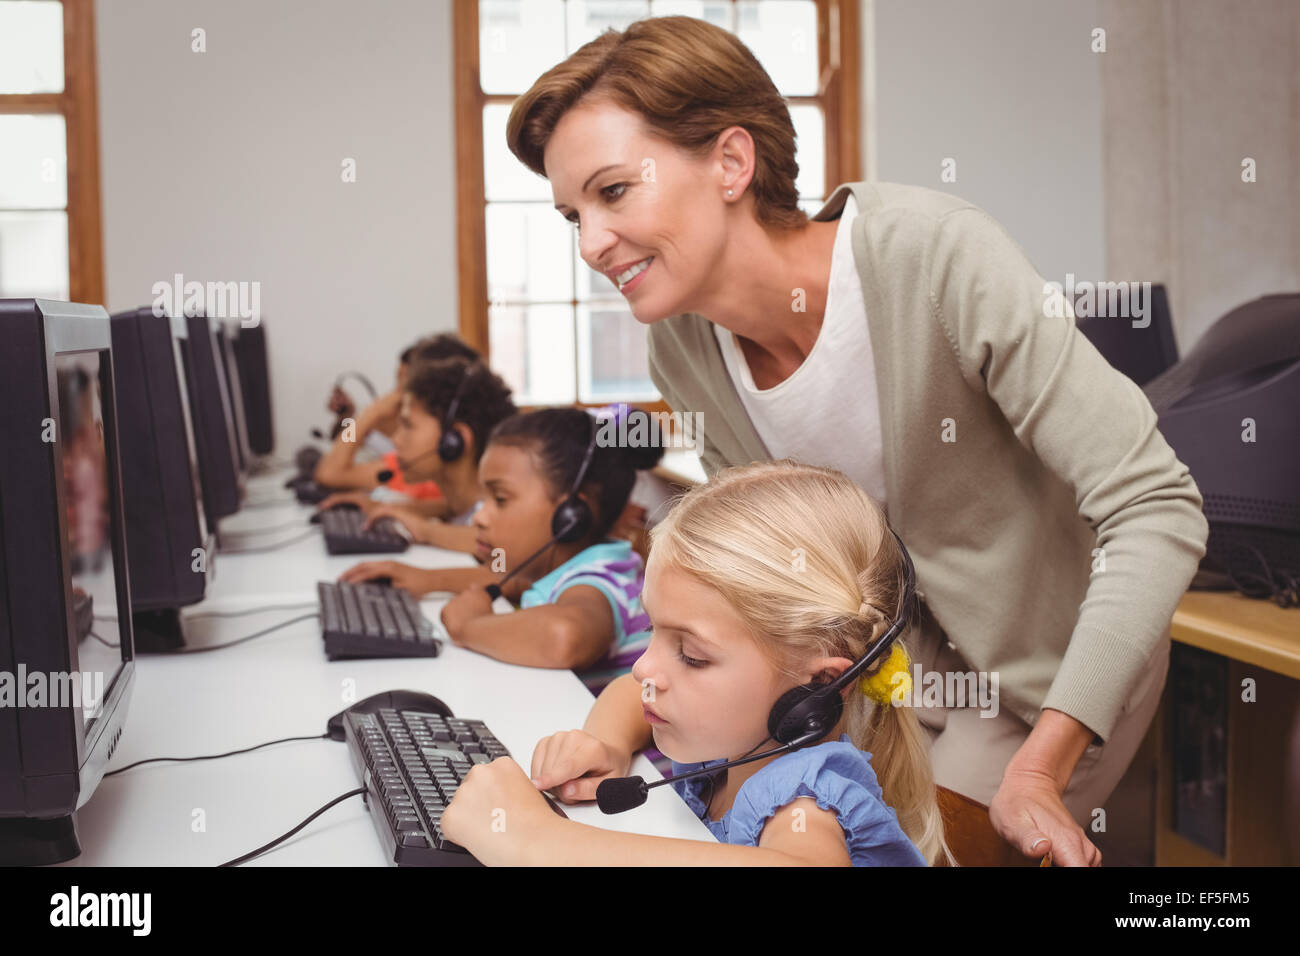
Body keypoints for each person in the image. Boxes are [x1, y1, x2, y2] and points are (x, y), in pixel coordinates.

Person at [503, 14, 1210, 865]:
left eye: (614, 192)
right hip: (880, 682)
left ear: (731, 163)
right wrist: (615, 731)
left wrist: (1041, 767)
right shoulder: (682, 348)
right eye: (571, 214)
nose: (590, 244)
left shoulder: (933, 258)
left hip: (1045, 675)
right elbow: (752, 586)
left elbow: (1157, 505)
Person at [440, 460, 943, 866]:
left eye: (692, 656)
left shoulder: (806, 800)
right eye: (652, 631)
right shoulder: (732, 738)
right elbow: (630, 696)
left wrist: (537, 842)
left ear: (819, 686)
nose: (644, 669)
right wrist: (605, 743)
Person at [314, 333, 479, 500]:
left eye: (406, 382)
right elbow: (340, 448)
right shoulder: (392, 424)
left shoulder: (424, 462)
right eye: (399, 379)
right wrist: (350, 417)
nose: (398, 391)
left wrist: (372, 412)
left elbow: (330, 472)